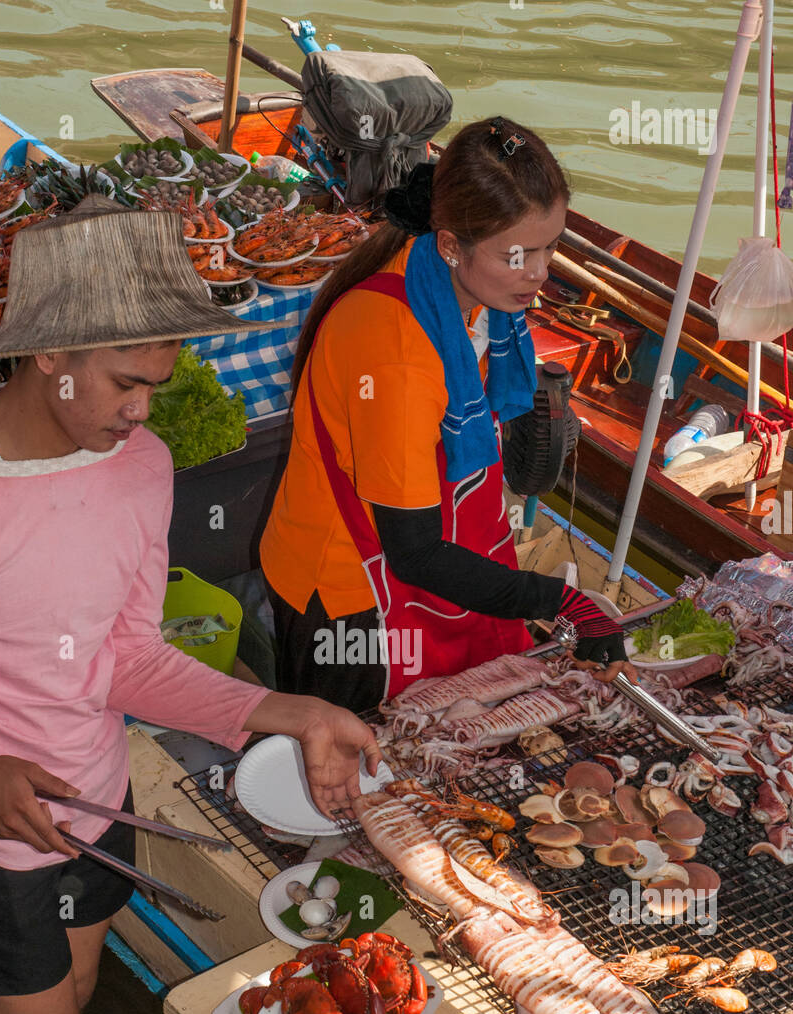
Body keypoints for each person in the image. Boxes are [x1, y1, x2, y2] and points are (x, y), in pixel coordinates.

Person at [0, 198, 380, 1014]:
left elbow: (129, 656)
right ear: (50, 354)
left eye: (157, 383)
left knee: (79, 994)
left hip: (97, 797)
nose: (143, 409)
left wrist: (287, 708)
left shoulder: (142, 467)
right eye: (126, 383)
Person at [261, 116, 637, 713]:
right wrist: (562, 601)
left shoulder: (455, 287)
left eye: (550, 248)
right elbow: (413, 552)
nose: (539, 275)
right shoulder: (395, 354)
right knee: (359, 772)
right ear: (452, 243)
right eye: (517, 254)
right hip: (352, 599)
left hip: (427, 559)